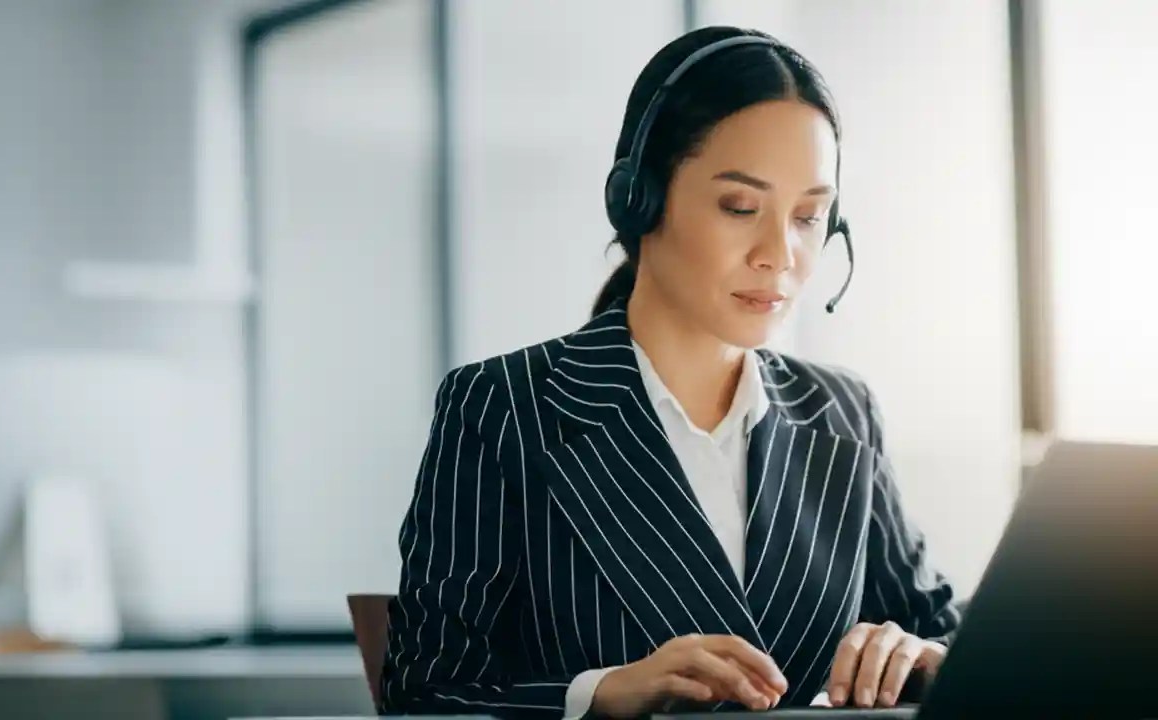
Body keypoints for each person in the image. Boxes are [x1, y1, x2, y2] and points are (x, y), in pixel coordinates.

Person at [381, 26, 960, 719]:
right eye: (740, 207)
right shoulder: (502, 407)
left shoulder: (842, 410)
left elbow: (940, 626)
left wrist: (924, 660)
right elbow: (425, 692)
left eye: (809, 216)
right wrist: (599, 694)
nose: (780, 254)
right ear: (641, 198)